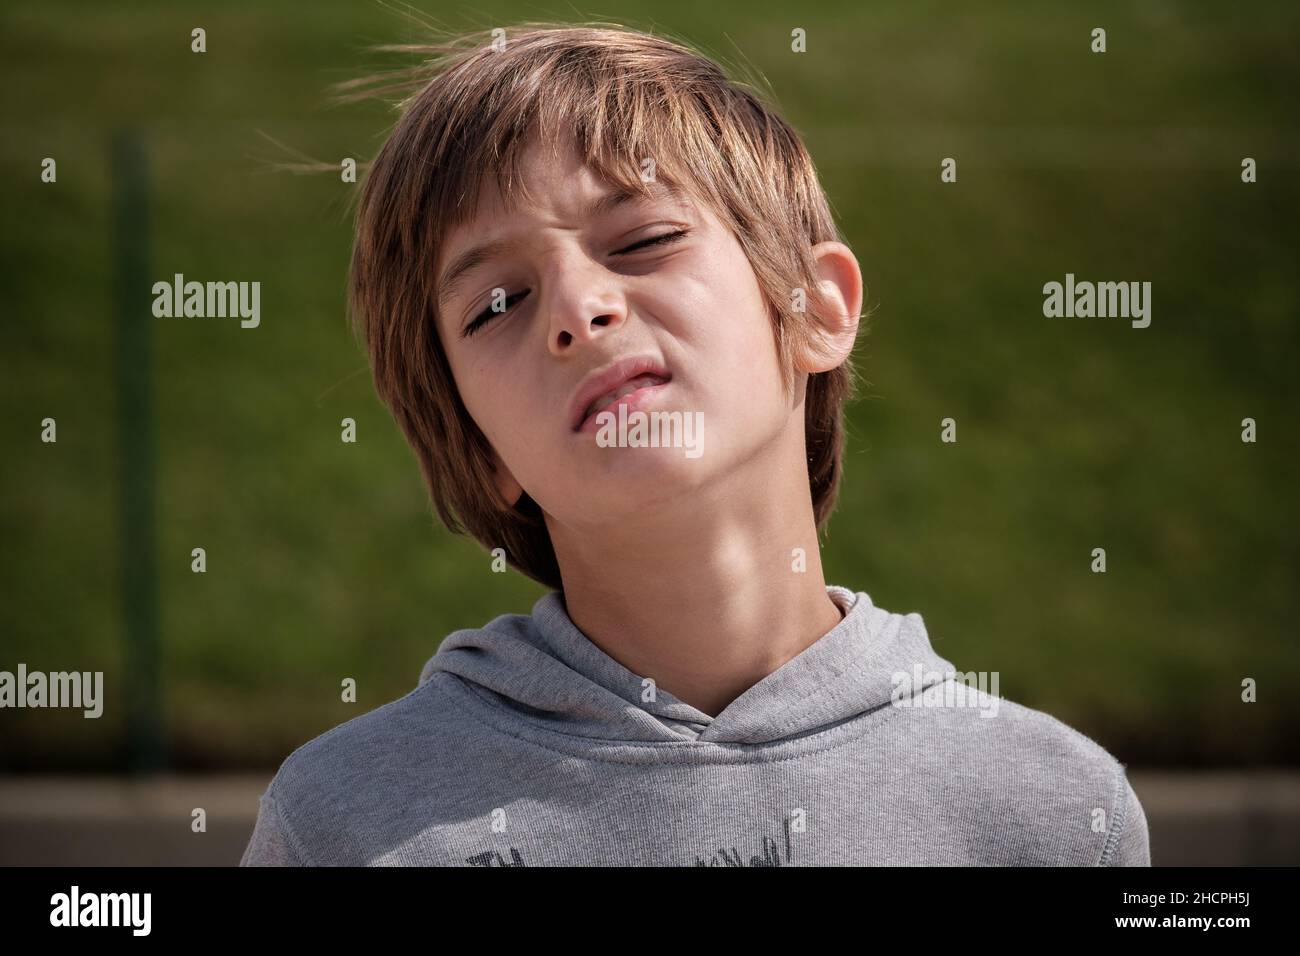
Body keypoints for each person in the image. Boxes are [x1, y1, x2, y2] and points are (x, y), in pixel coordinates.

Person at [240, 22, 1149, 866]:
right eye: (497, 304)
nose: (577, 309)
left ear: (814, 306)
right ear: (479, 450)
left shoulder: (1055, 813)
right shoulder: (342, 821)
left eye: (643, 240)